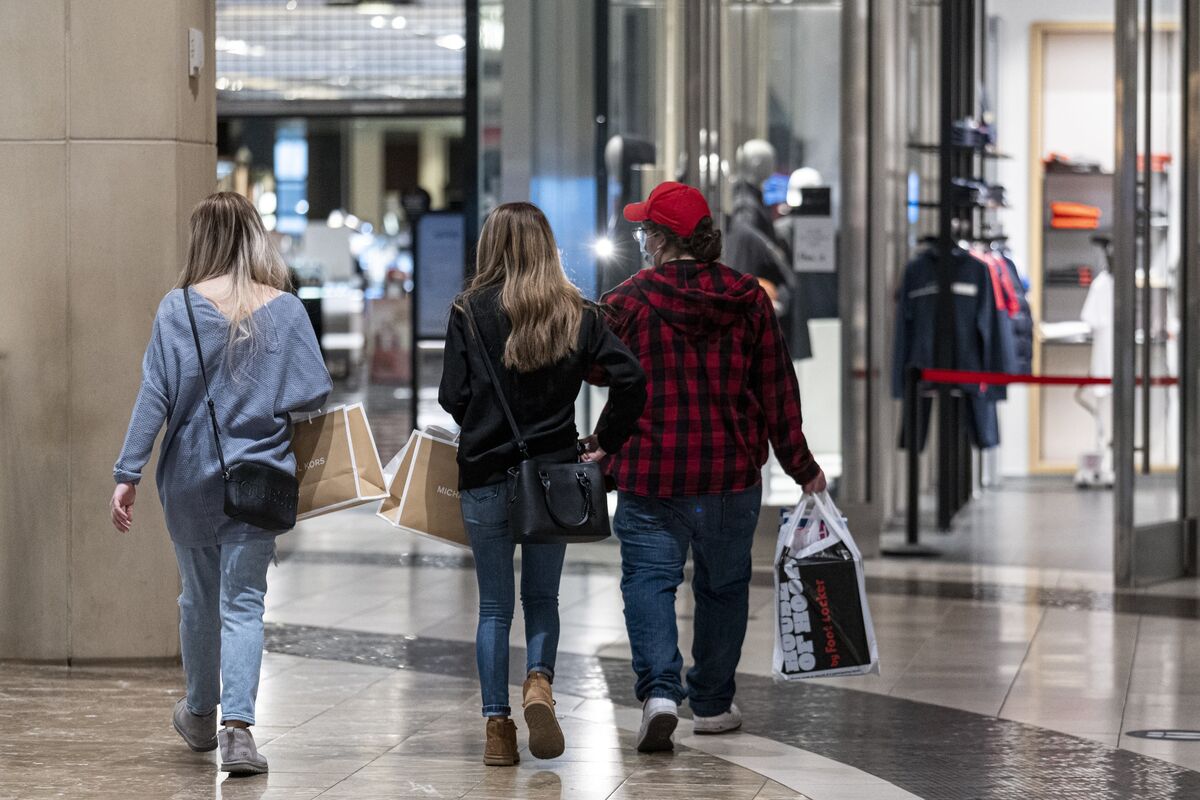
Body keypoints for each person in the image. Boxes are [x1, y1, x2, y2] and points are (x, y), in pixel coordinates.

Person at [595, 181, 826, 753]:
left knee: (649, 584)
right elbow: (777, 391)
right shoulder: (748, 298)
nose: (641, 239)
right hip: (728, 477)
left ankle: (660, 694)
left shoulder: (627, 301)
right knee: (722, 589)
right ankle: (715, 703)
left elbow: (600, 374)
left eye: (645, 230)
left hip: (652, 477)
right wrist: (803, 468)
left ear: (660, 239)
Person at [110, 192, 331, 775]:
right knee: (243, 605)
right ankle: (238, 730)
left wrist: (127, 473)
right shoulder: (284, 309)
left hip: (187, 480)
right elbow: (314, 391)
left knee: (197, 599)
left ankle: (200, 715)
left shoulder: (176, 308)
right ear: (255, 236)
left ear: (201, 240)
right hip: (259, 479)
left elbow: (154, 394)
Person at [438, 202, 646, 767]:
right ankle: (538, 683)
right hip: (554, 478)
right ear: (545, 245)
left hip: (484, 473)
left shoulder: (468, 310)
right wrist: (603, 440)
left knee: (493, 608)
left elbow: (450, 396)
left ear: (491, 246)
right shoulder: (576, 311)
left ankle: (497, 730)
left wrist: (485, 421)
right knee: (542, 598)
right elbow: (631, 379)